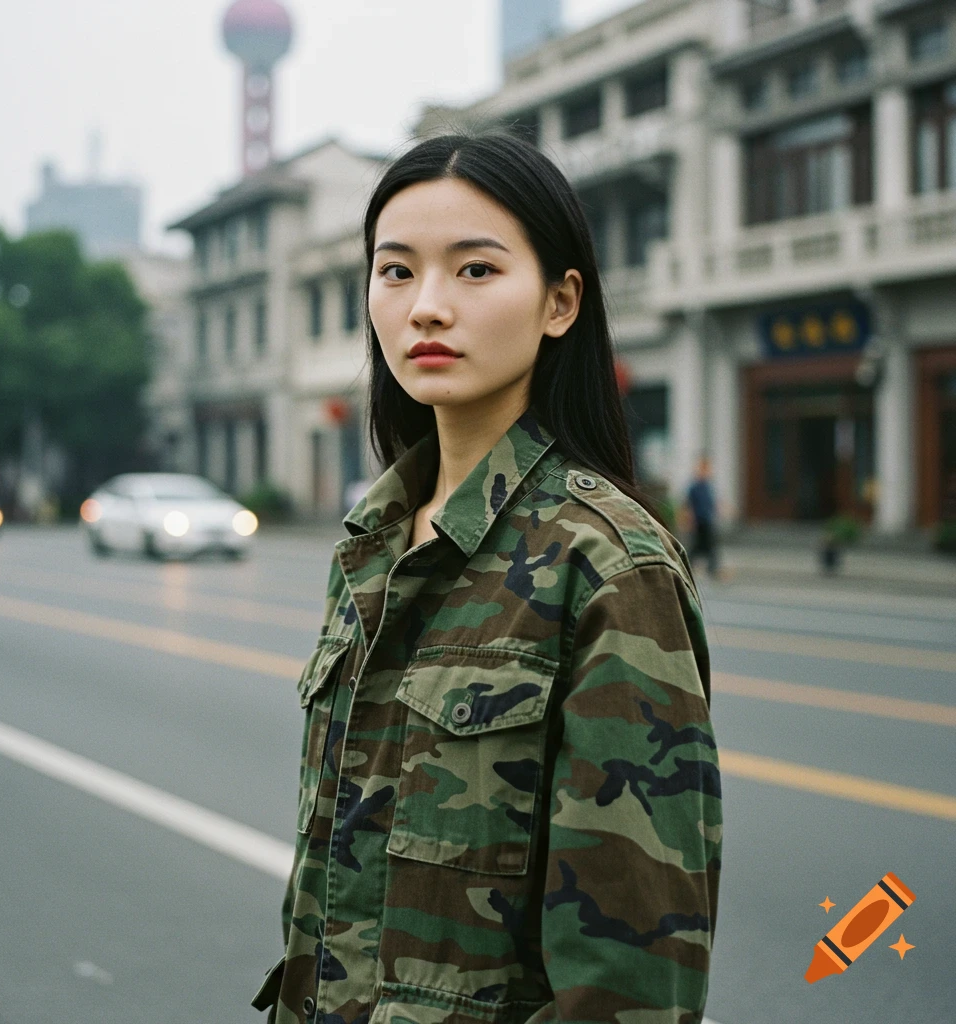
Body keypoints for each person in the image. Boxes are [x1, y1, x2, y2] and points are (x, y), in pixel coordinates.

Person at [252, 129, 722, 1024]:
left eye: (474, 270)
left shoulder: (609, 567)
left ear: (559, 302)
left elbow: (629, 988)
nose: (426, 306)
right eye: (396, 272)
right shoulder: (372, 545)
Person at [685, 456, 720, 579]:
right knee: (701, 545)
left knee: (706, 545)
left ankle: (711, 568)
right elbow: (689, 505)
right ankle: (711, 569)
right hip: (699, 519)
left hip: (707, 518)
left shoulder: (708, 486)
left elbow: (711, 502)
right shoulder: (695, 487)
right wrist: (690, 520)